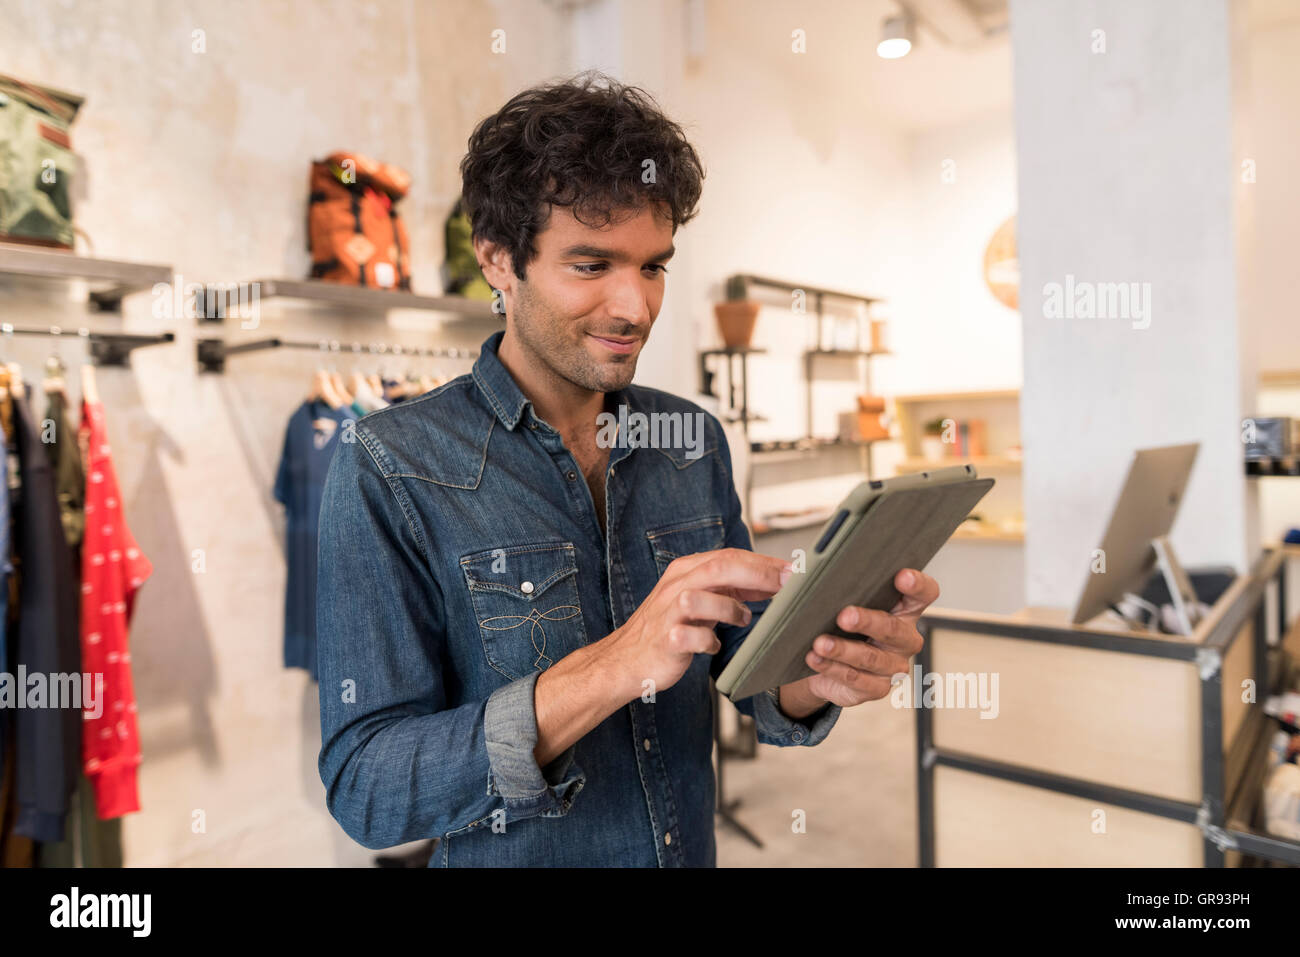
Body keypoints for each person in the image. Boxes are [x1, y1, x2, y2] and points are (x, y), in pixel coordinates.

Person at [315, 70, 939, 867]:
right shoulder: (390, 465)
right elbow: (367, 789)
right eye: (591, 265)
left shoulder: (691, 439)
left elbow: (748, 685)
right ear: (499, 259)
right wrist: (611, 665)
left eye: (652, 267)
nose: (634, 307)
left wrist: (819, 671)